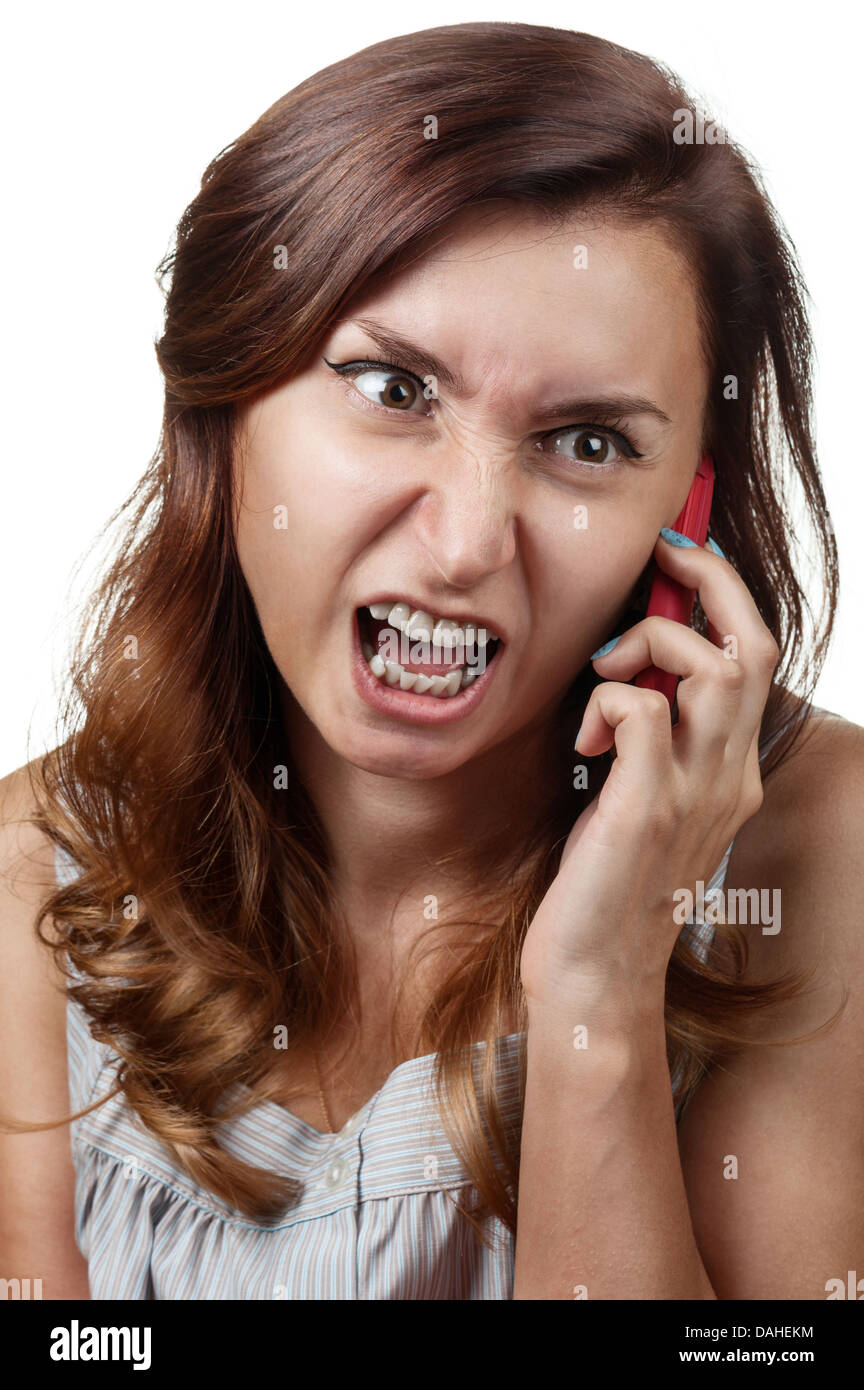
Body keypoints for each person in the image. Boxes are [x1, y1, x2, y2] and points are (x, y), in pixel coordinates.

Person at [1, 20, 862, 1301]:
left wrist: (599, 986)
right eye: (394, 389)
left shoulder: (825, 849)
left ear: (684, 516)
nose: (465, 546)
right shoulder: (40, 867)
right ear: (224, 407)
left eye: (585, 442)